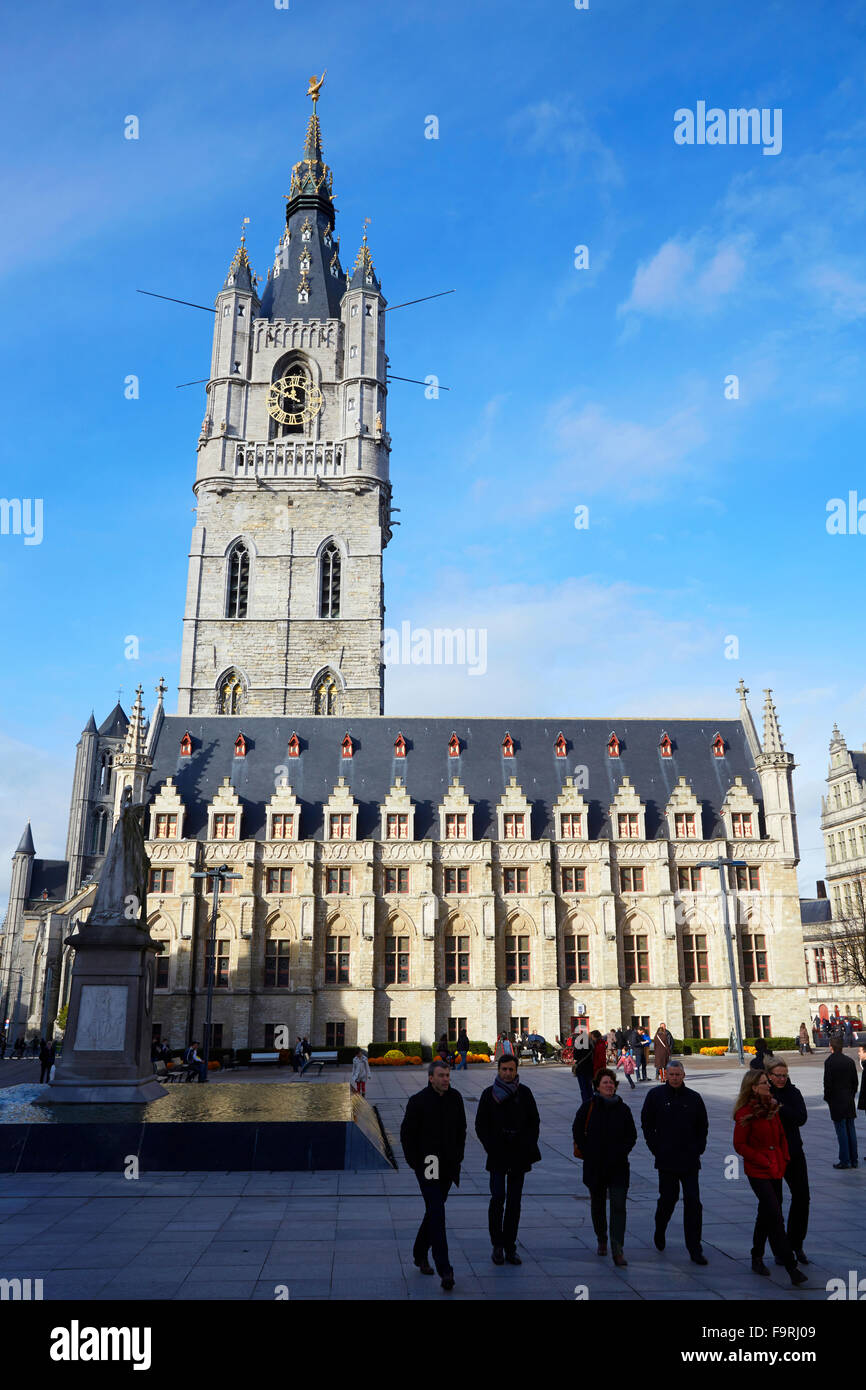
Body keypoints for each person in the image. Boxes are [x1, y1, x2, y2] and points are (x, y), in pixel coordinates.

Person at [732, 1070, 807, 1286]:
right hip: (758, 1171)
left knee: (766, 1212)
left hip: (776, 1168)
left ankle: (756, 1255)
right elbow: (739, 1145)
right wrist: (762, 1159)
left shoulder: (773, 1107)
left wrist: (782, 1157)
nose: (769, 1085)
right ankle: (791, 1267)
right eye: (765, 1082)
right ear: (754, 1087)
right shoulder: (745, 1112)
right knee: (775, 1216)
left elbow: (782, 1135)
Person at [400, 1059, 466, 1291]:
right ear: (431, 1078)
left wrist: (458, 1156)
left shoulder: (455, 1098)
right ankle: (445, 1268)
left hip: (448, 1164)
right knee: (437, 1212)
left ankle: (419, 1252)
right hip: (428, 1164)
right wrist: (414, 1163)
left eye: (448, 1075)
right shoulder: (418, 1101)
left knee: (433, 1211)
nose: (446, 1079)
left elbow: (462, 1130)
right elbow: (407, 1135)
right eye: (441, 1076)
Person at [475, 1052, 541, 1265]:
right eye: (504, 1069)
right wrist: (490, 1146)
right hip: (497, 1154)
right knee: (497, 1198)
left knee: (514, 1202)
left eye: (511, 1070)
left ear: (516, 1071)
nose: (507, 1073)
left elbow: (534, 1122)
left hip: (519, 1155)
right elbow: (480, 1125)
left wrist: (526, 1144)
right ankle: (497, 1244)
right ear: (498, 1071)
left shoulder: (525, 1093)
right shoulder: (488, 1094)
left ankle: (510, 1246)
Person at [640, 1058, 708, 1264]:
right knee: (668, 1199)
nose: (675, 1078)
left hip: (689, 1160)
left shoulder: (694, 1098)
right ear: (666, 1076)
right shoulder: (655, 1096)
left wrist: (698, 1148)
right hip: (666, 1159)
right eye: (672, 1075)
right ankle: (660, 1228)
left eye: (678, 1075)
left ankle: (694, 1247)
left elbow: (702, 1126)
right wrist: (656, 1149)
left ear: (684, 1076)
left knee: (693, 1203)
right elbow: (646, 1124)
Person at [572, 1068, 637, 1267]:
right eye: (605, 1083)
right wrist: (590, 1152)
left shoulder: (623, 1108)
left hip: (618, 1165)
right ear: (597, 1087)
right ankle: (601, 1237)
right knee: (598, 1204)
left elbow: (631, 1135)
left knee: (619, 1206)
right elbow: (577, 1131)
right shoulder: (588, 1107)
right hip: (595, 1165)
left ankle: (617, 1248)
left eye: (611, 1083)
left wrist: (622, 1150)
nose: (609, 1085)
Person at [766, 1058, 810, 1265]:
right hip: (772, 1154)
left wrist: (780, 1107)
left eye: (784, 1075)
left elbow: (801, 1117)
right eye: (777, 1075)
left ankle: (796, 1243)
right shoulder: (762, 1095)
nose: (782, 1079)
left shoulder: (793, 1093)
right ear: (769, 1075)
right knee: (775, 1202)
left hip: (793, 1152)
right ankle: (779, 1248)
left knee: (802, 1197)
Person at [823, 1036, 859, 1169]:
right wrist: (851, 1094)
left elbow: (828, 1083)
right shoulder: (849, 1061)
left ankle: (845, 1160)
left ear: (831, 1046)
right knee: (851, 1129)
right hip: (848, 1099)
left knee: (841, 1131)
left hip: (836, 1100)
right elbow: (855, 1082)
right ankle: (854, 1159)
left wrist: (828, 1098)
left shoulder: (830, 1062)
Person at [572, 1028, 594, 1104]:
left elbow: (575, 1056)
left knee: (583, 1088)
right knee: (589, 1087)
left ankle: (585, 1103)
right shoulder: (590, 1045)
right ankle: (591, 1101)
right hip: (589, 1068)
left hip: (581, 1068)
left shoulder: (578, 1045)